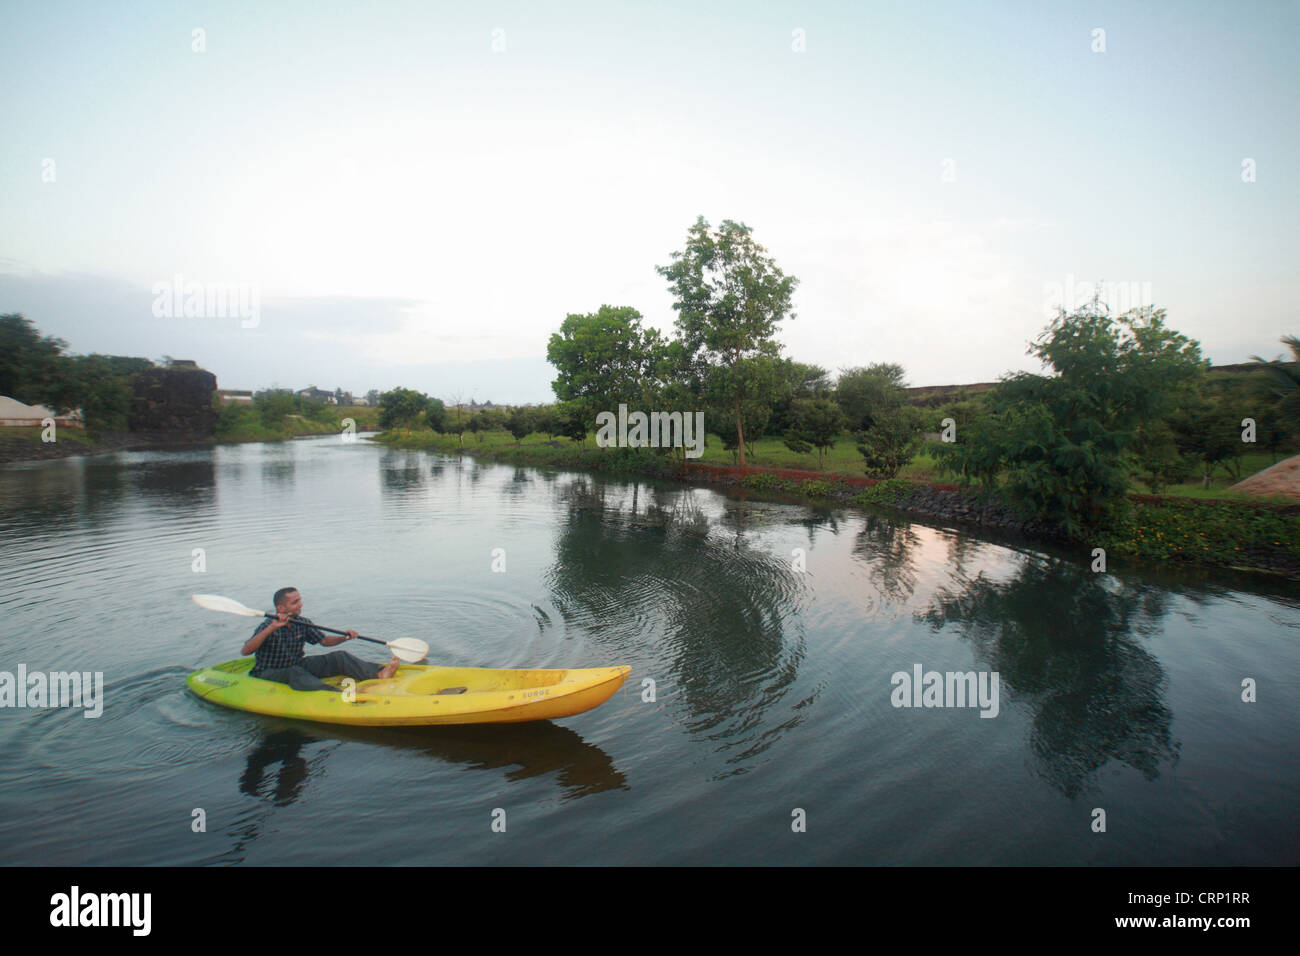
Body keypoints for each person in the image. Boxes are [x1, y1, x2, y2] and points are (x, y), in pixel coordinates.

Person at [242, 587, 399, 692]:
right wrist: (272, 628)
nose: (300, 604)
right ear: (281, 608)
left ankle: (378, 673)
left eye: (300, 600)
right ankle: (334, 693)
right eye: (295, 602)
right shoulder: (268, 625)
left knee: (339, 657)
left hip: (296, 665)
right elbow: (246, 651)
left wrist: (345, 638)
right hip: (269, 672)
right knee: (294, 672)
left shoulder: (301, 622)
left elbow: (324, 641)